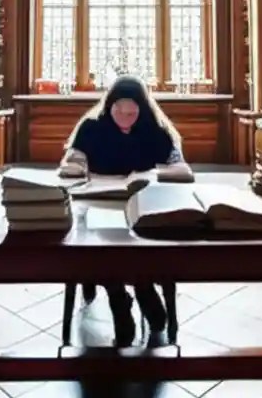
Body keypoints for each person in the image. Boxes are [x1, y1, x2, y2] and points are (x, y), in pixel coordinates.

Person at [58, 75, 193, 344]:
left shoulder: (157, 131)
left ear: (143, 109)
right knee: (101, 241)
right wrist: (75, 163)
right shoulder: (91, 127)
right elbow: (73, 161)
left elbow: (180, 165)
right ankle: (120, 298)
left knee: (141, 237)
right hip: (98, 204)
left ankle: (141, 289)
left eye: (132, 111)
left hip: (144, 205)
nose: (125, 116)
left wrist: (160, 173)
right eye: (119, 109)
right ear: (109, 106)